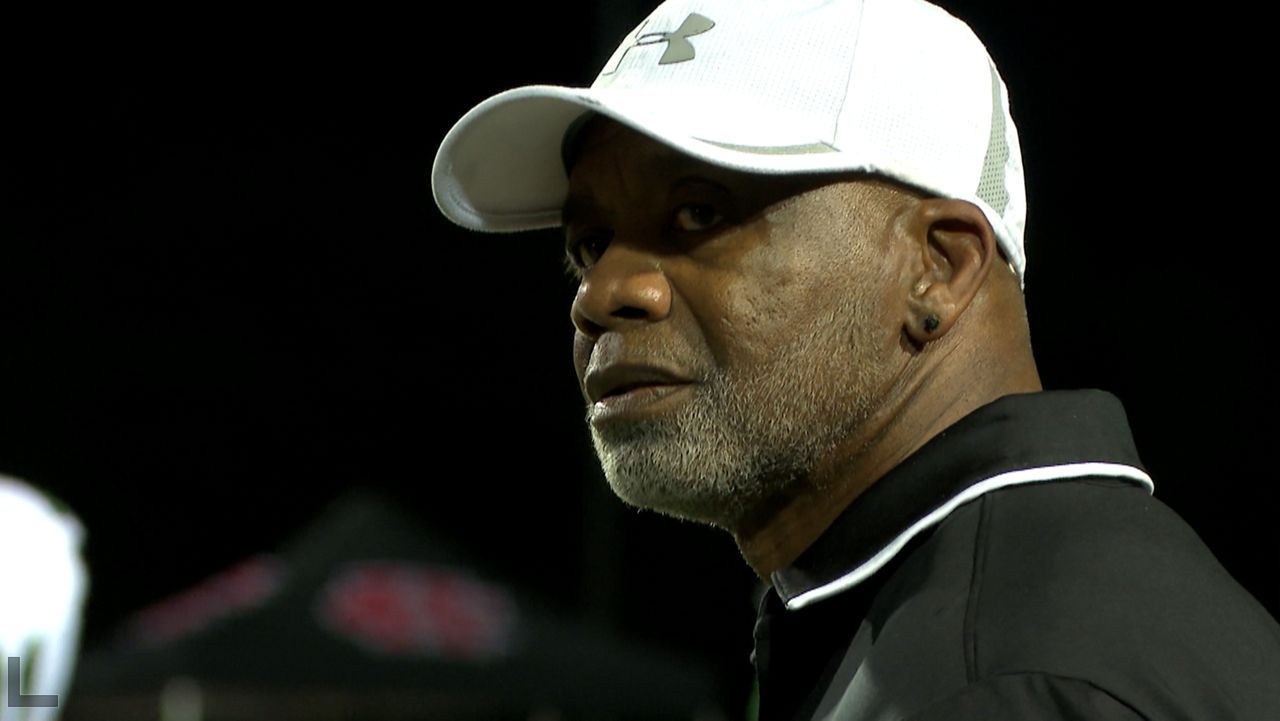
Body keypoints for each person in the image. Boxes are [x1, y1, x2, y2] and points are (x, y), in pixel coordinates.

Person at [430, 0, 1280, 718]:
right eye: (589, 242)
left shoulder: (995, 678)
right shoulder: (1011, 600)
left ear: (937, 268)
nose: (603, 290)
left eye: (697, 213)